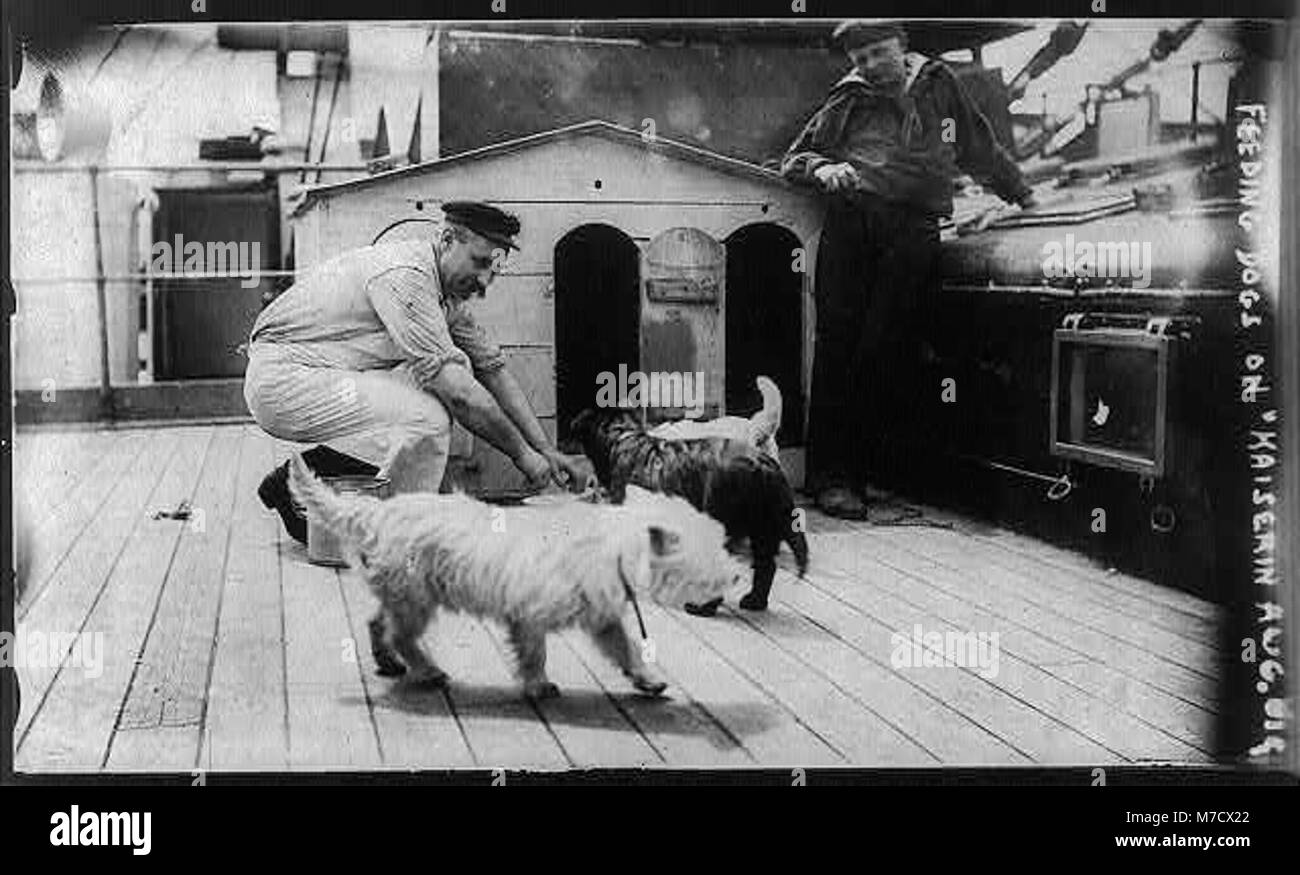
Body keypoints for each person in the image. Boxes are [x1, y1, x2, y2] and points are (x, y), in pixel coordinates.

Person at [781, 20, 1039, 519]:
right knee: (839, 346)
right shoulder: (848, 97)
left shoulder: (940, 85)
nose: (872, 66)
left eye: (879, 53)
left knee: (885, 346)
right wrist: (823, 168)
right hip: (854, 224)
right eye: (861, 59)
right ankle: (830, 480)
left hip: (914, 231)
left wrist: (1024, 194)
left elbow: (978, 149)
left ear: (903, 47)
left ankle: (870, 474)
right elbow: (794, 158)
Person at [244, 201, 590, 543]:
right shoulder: (406, 276)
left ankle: (304, 482)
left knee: (453, 373)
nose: (485, 281)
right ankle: (394, 533)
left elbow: (492, 369)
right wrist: (524, 457)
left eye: (494, 271)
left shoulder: (446, 298)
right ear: (447, 239)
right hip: (284, 380)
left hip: (324, 373)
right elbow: (461, 396)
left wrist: (545, 450)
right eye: (480, 263)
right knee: (428, 416)